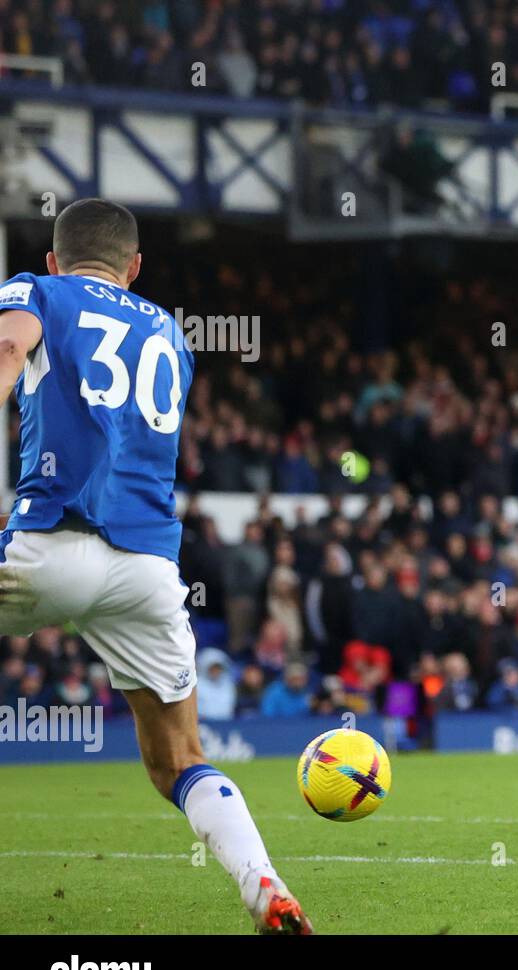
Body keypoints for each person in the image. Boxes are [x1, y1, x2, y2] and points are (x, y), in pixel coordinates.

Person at [0, 199, 310, 932]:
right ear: (135, 268)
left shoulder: (37, 290)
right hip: (146, 568)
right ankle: (263, 880)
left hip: (49, 541)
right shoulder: (171, 333)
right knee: (179, 758)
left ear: (54, 258)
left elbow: (10, 351)